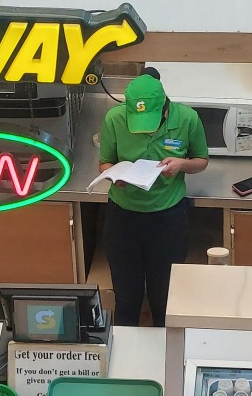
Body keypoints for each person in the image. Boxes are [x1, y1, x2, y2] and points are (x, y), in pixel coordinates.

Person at [99, 69, 209, 327]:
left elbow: (201, 161)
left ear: (164, 106)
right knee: (126, 299)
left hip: (168, 218)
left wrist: (181, 164)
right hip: (123, 217)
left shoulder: (188, 119)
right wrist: (116, 176)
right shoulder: (114, 119)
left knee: (165, 299)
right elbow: (105, 163)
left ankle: (164, 362)